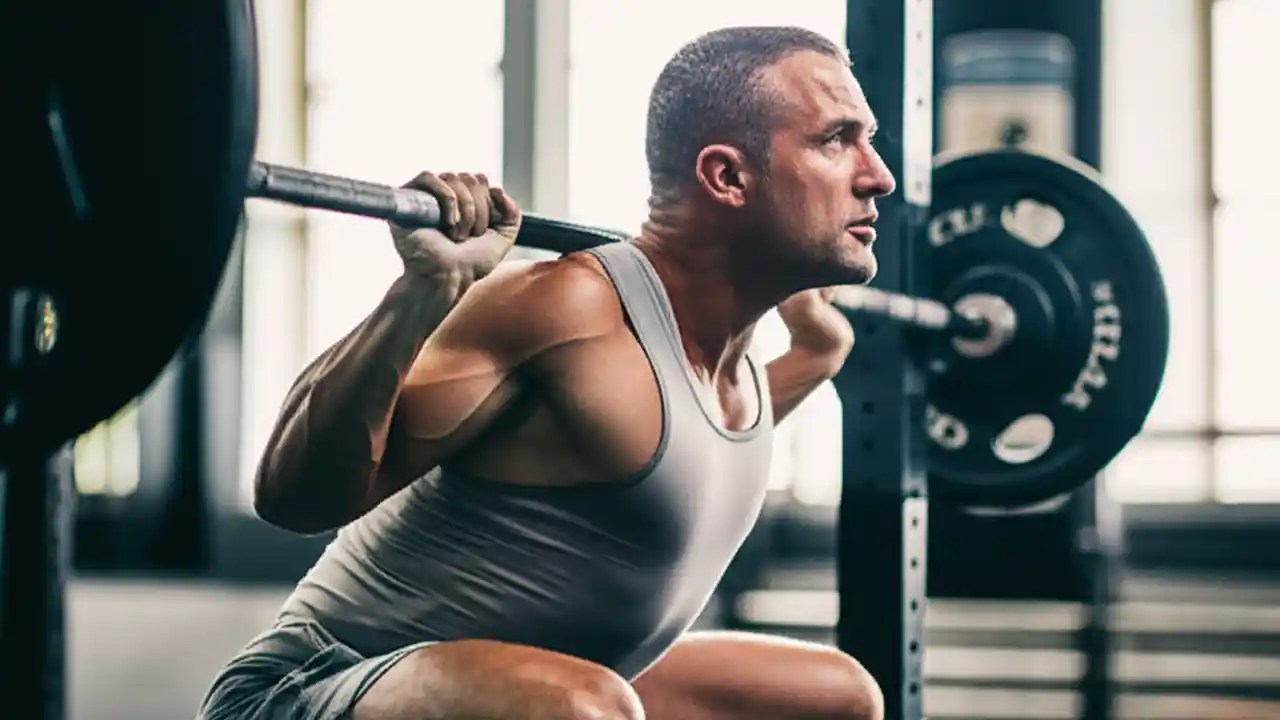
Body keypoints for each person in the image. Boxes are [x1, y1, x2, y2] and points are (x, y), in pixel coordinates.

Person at [201, 24, 895, 720]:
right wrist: (420, 295)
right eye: (837, 140)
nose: (879, 176)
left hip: (560, 685)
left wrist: (819, 352)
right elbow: (293, 499)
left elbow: (675, 462)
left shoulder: (725, 361)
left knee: (835, 699)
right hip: (302, 692)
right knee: (584, 708)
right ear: (727, 177)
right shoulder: (565, 310)